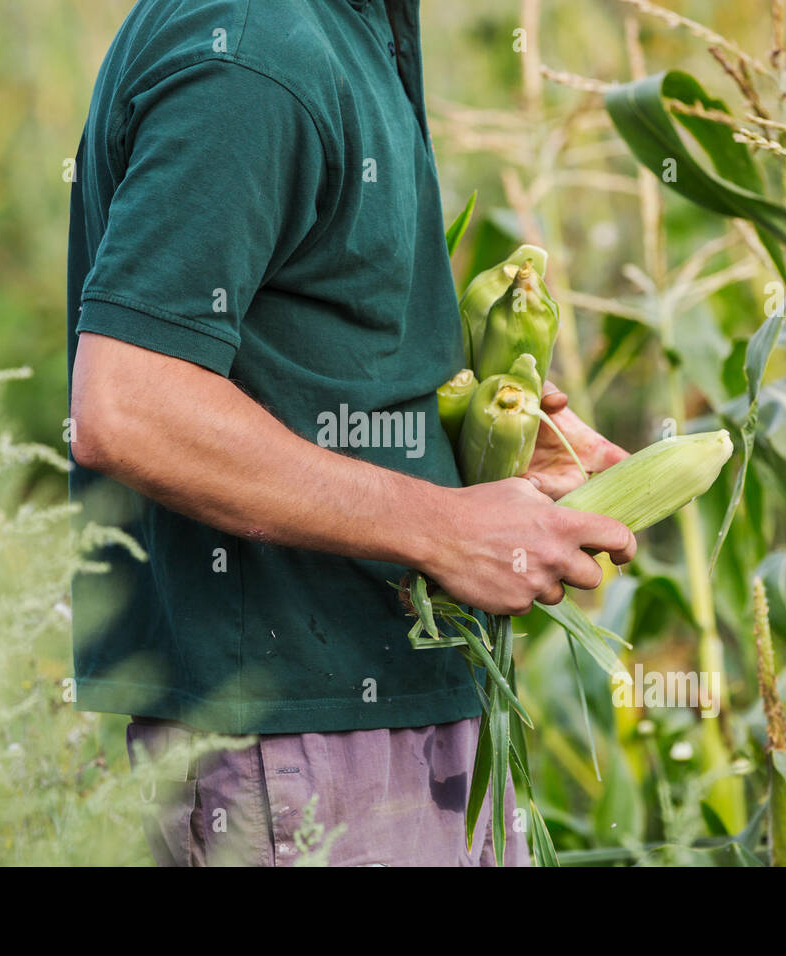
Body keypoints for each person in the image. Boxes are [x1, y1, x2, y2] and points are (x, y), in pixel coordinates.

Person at [65, 0, 634, 866]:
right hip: (301, 750)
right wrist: (445, 528)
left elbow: (310, 334)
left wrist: (481, 430)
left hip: (385, 718)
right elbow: (132, 405)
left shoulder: (354, 23)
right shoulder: (254, 53)